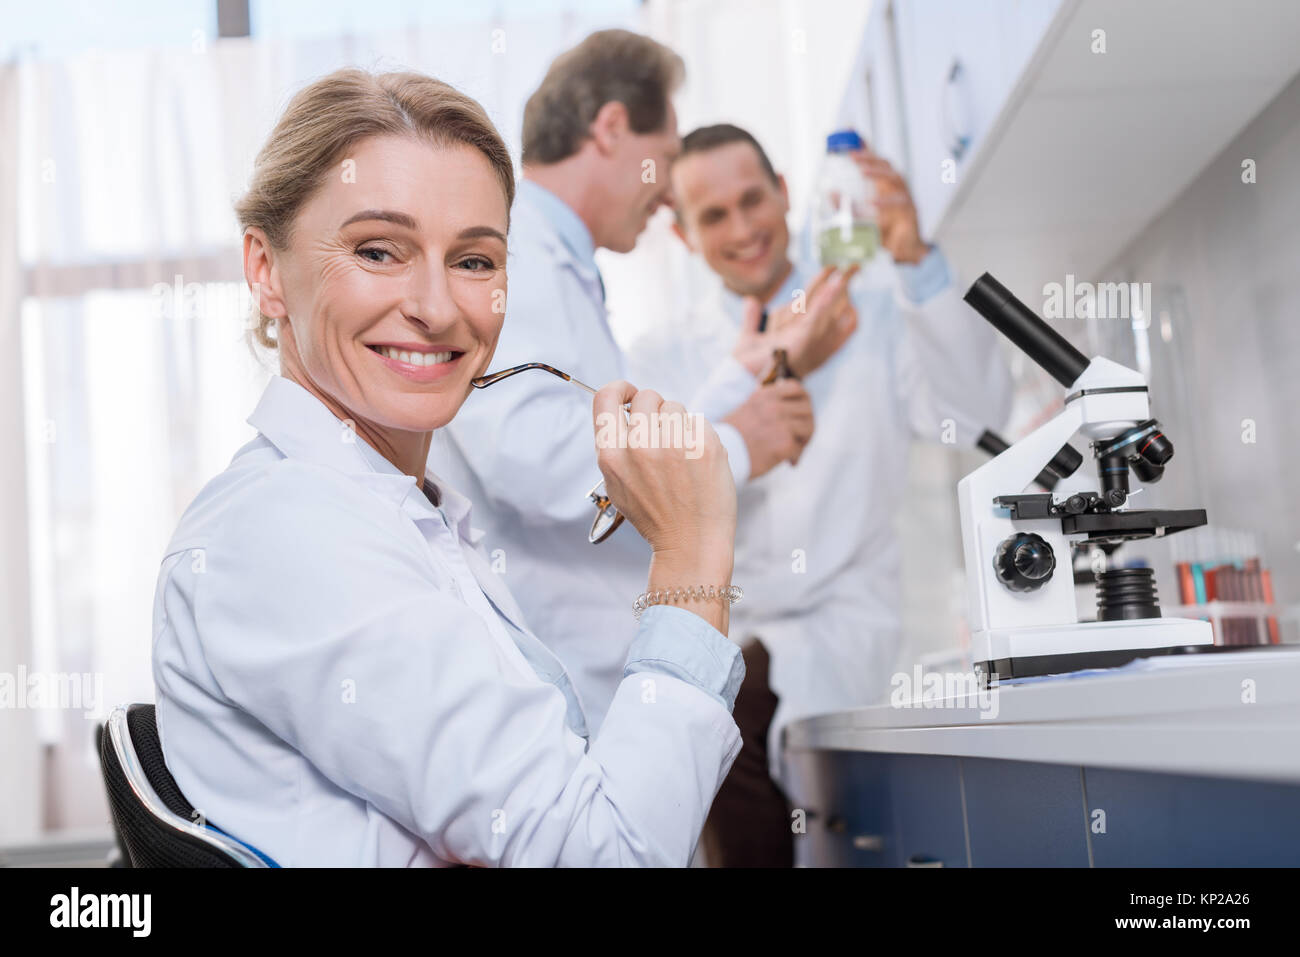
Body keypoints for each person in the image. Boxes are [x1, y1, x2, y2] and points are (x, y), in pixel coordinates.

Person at [151, 68, 750, 867]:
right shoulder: (285, 532)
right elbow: (603, 855)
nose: (436, 308)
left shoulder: (398, 514)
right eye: (378, 250)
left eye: (473, 260)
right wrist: (691, 555)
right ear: (265, 269)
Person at [434, 30, 859, 737]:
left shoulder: (557, 263)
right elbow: (540, 463)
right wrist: (741, 444)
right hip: (569, 684)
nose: (667, 192)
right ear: (611, 128)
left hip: (592, 673)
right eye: (666, 153)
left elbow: (605, 436)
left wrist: (737, 379)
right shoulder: (516, 256)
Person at [634, 123, 1014, 865]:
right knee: (712, 744)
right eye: (714, 216)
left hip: (847, 627)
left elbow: (976, 414)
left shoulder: (872, 310)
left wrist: (916, 262)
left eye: (754, 200)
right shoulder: (669, 355)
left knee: (737, 730)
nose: (743, 230)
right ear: (682, 234)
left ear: (785, 194)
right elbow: (657, 483)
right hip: (736, 637)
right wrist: (777, 363)